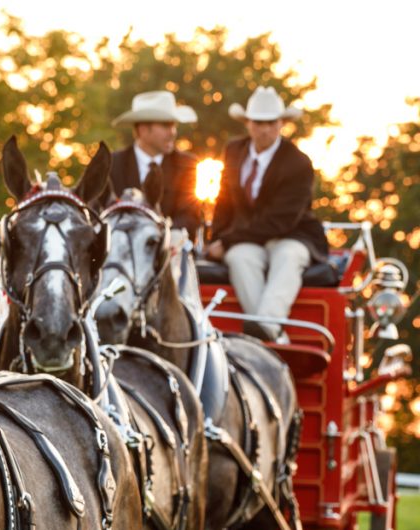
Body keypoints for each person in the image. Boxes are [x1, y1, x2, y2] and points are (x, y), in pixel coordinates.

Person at [204, 86, 328, 343]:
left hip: (294, 235)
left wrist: (228, 240)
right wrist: (215, 239)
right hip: (248, 240)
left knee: (287, 256)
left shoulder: (298, 162)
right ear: (248, 123)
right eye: (259, 122)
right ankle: (276, 336)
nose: (264, 129)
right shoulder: (234, 151)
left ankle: (266, 327)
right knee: (239, 258)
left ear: (281, 124)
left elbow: (281, 220)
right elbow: (224, 200)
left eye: (271, 123)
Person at [110, 90, 201, 231]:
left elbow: (190, 216)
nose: (173, 132)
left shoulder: (186, 164)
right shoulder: (113, 163)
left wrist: (162, 236)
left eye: (174, 126)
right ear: (143, 130)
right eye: (166, 125)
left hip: (169, 246)